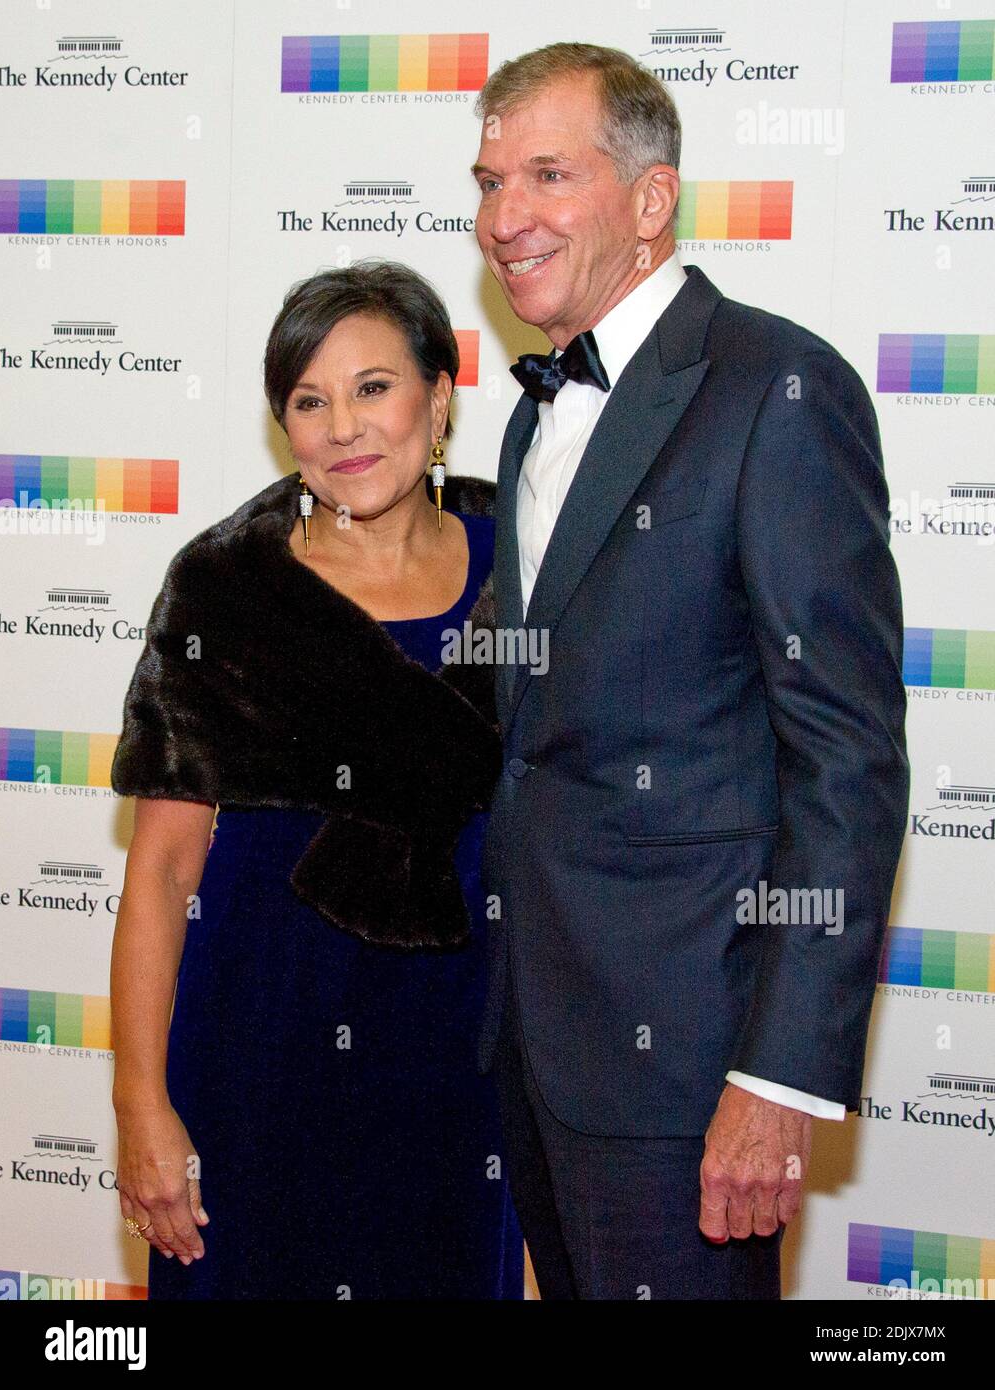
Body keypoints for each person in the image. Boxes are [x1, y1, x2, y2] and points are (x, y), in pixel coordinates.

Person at [471, 43, 909, 1300]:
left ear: (651, 200)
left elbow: (847, 761)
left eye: (548, 175)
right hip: (539, 1042)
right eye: (490, 180)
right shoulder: (530, 409)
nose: (505, 218)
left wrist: (773, 1079)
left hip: (691, 1065)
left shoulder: (775, 388)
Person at [109, 260, 524, 1300]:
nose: (344, 426)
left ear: (440, 395)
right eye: (309, 400)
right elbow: (161, 872)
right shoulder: (225, 590)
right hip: (257, 1048)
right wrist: (140, 1105)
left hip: (457, 1053)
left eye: (374, 387)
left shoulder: (527, 567)